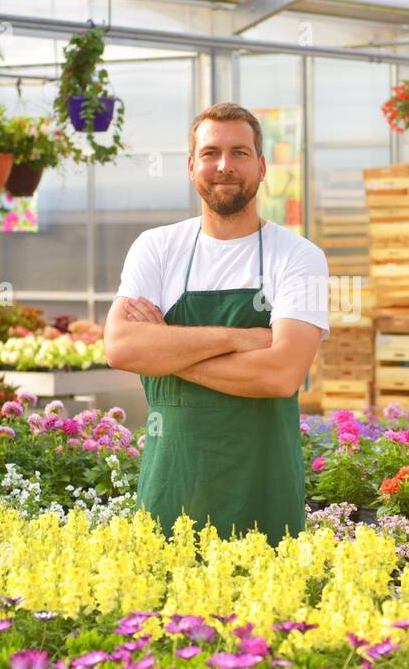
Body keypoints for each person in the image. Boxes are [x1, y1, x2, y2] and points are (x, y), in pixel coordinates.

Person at [104, 103, 329, 544]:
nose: (224, 166)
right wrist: (239, 338)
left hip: (263, 492)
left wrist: (165, 350)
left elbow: (282, 374)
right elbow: (121, 349)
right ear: (192, 166)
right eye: (211, 153)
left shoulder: (299, 257)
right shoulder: (157, 248)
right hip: (172, 489)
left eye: (240, 153)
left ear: (262, 167)